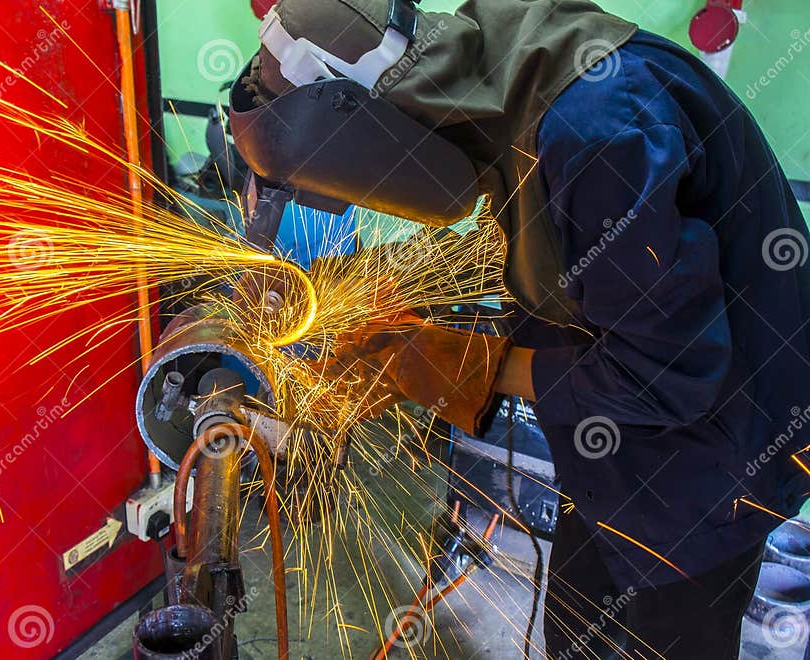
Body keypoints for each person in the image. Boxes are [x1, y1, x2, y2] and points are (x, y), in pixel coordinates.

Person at [228, 0, 810, 657]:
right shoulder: (496, 67)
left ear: (365, 125)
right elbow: (523, 231)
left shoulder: (597, 131)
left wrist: (461, 366)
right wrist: (353, 280)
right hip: (615, 449)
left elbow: (667, 377)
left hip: (712, 459)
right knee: (576, 634)